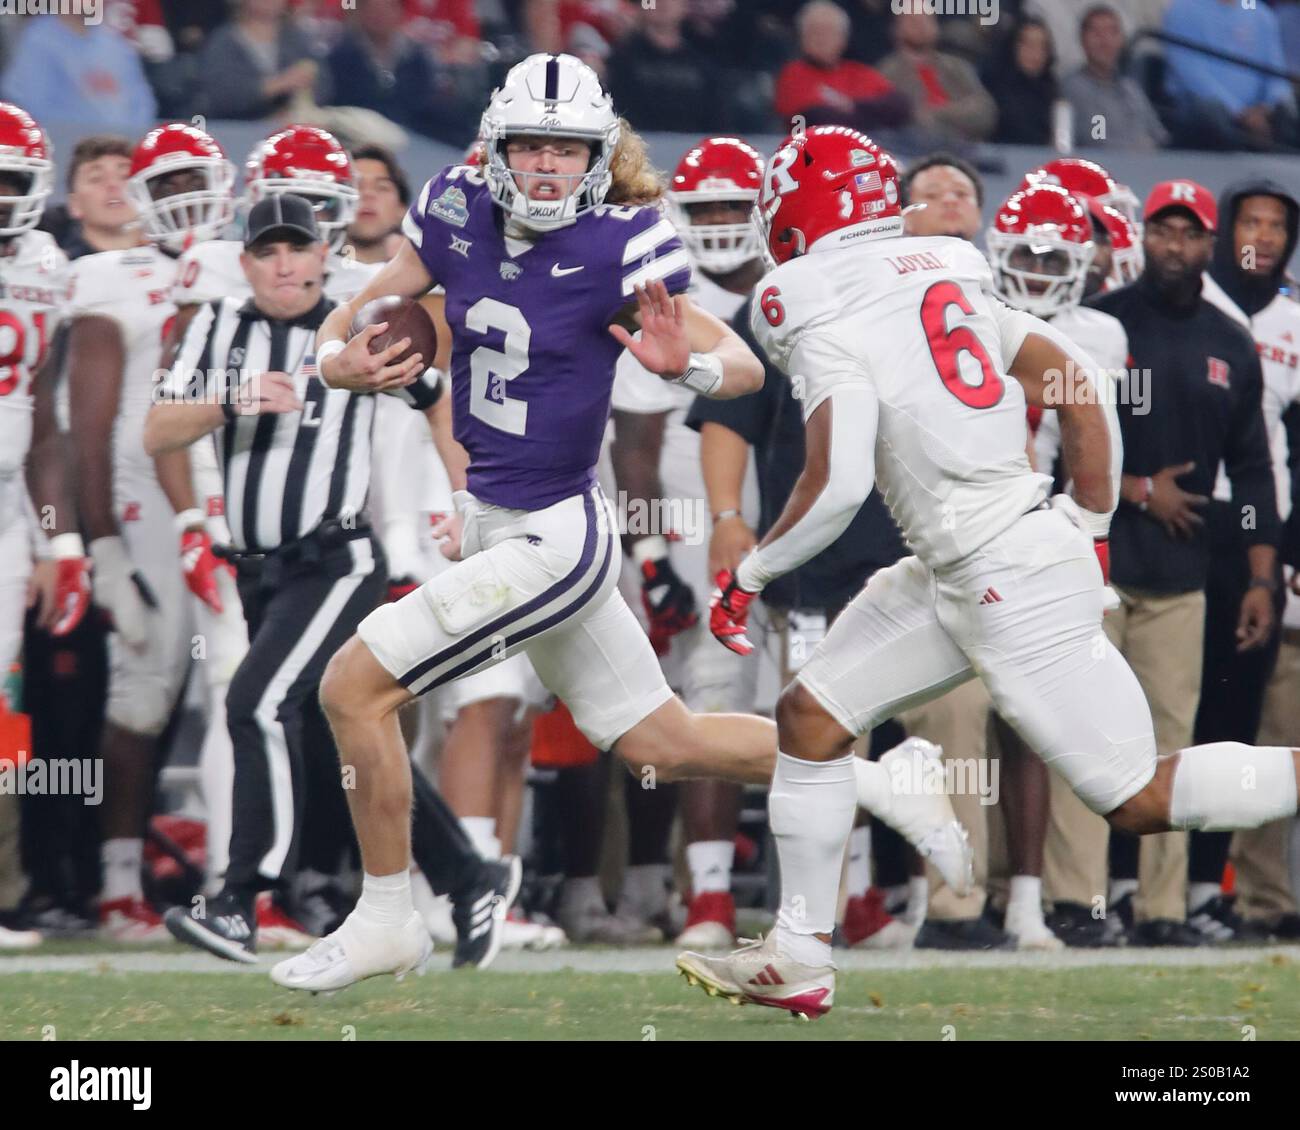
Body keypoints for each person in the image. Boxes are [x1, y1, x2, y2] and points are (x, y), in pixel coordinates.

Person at [271, 54, 971, 993]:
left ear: (600, 154)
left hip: (556, 533)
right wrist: (331, 365)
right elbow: (360, 310)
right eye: (531, 145)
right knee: (662, 742)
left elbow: (746, 373)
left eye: (567, 148)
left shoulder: (626, 240)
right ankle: (891, 781)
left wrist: (683, 363)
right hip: (492, 518)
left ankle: (389, 916)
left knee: (352, 688)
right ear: (497, 147)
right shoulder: (450, 205)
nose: (549, 166)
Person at [678, 126, 1299, 1019]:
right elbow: (1078, 382)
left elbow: (839, 477)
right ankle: (800, 954)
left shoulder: (804, 296)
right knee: (811, 716)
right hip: (965, 563)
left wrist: (752, 569)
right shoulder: (943, 265)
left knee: (1137, 796)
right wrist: (1085, 526)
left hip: (1000, 570)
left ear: (798, 211)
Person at [153, 129, 525, 967]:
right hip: (256, 565)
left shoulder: (357, 318)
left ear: (327, 249)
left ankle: (242, 898)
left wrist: (466, 498)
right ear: (244, 259)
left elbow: (437, 393)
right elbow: (155, 428)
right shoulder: (215, 321)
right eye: (269, 251)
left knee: (253, 701)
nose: (285, 265)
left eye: (301, 246)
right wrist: (232, 402)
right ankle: (467, 878)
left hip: (336, 557)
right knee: (330, 728)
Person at [1089, 181, 1281, 946]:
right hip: (1093, 570)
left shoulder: (1230, 342)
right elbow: (1063, 442)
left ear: (1210, 245)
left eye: (1189, 234)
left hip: (1182, 576)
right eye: (1162, 231)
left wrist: (1262, 576)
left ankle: (1165, 909)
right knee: (1088, 737)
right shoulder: (1099, 325)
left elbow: (1256, 469)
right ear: (1143, 238)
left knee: (1173, 743)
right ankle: (1087, 902)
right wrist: (1138, 490)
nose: (1175, 246)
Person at [63, 123, 238, 944]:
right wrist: (99, 547)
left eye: (192, 180)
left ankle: (242, 883)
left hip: (239, 500)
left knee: (243, 697)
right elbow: (86, 430)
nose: (184, 200)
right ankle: (118, 885)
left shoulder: (255, 260)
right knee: (142, 695)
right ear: (139, 197)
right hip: (148, 505)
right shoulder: (109, 277)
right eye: (164, 186)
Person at [606, 135, 769, 948]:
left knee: (805, 706)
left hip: (792, 525)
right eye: (700, 208)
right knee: (701, 703)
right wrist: (651, 561)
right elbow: (633, 448)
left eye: (730, 208)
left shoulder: (788, 292)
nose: (715, 223)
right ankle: (703, 893)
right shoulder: (666, 296)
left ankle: (842, 898)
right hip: (692, 531)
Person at [986, 183, 1129, 947]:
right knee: (942, 728)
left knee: (1035, 728)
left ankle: (1028, 903)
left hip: (1045, 539)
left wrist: (1090, 540)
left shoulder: (1098, 335)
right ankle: (941, 902)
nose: (1037, 270)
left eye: (1052, 258)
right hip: (961, 536)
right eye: (1024, 254)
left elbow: (1094, 442)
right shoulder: (965, 311)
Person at [1193, 179, 1300, 941]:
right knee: (1171, 705)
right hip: (1180, 521)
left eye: (1275, 225)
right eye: (1249, 221)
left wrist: (1283, 553)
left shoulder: (1296, 321)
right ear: (1225, 229)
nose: (1260, 235)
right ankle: (1135, 888)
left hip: (1263, 531)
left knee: (1238, 712)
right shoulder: (1187, 298)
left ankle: (1212, 889)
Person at [0, 103, 91, 950]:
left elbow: (46, 419)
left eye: (7, 183)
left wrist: (56, 539)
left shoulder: (47, 264)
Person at [1162, 0, 1298, 151]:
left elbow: (1277, 74)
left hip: (1260, 117)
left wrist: (1267, 107)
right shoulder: (1184, 9)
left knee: (1287, 107)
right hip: (1204, 116)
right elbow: (1191, 74)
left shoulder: (1259, 11)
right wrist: (1240, 112)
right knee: (1209, 112)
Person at [0, 14, 157, 135]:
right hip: (66, 154)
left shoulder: (116, 44)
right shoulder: (37, 41)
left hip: (123, 151)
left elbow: (143, 106)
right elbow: (34, 111)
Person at [773, 2, 909, 134]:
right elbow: (818, 118)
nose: (822, 39)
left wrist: (854, 106)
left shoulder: (858, 71)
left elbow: (899, 106)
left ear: (843, 39)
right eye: (815, 31)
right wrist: (870, 114)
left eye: (829, 32)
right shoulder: (793, 74)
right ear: (802, 38)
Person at [1061, 3, 1168, 153]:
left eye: (1112, 32)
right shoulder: (1077, 87)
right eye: (1097, 34)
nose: (1105, 41)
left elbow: (1158, 135)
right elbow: (1097, 140)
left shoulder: (1130, 87)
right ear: (1082, 40)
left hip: (1150, 166)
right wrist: (1139, 149)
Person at [876, 11, 996, 144]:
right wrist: (961, 110)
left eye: (927, 19)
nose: (921, 25)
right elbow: (908, 118)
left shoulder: (958, 67)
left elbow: (986, 112)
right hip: (908, 150)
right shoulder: (886, 72)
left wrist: (938, 112)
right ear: (896, 29)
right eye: (912, 20)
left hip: (967, 149)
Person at [982, 16, 1058, 145]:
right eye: (1028, 44)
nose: (1035, 53)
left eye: (1041, 47)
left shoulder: (1053, 91)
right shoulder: (993, 86)